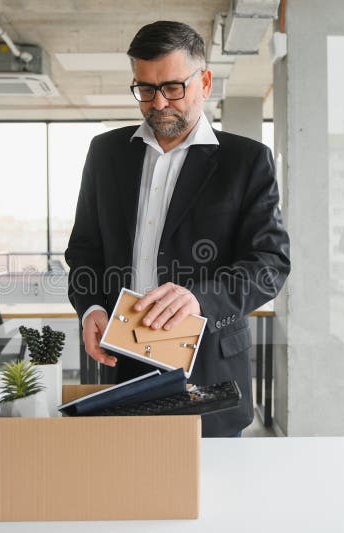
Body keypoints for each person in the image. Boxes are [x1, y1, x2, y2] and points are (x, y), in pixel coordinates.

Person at [65, 20, 290, 437]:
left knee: (216, 496)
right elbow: (84, 251)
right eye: (145, 89)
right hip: (124, 361)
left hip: (211, 369)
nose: (158, 103)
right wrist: (92, 309)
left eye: (172, 87)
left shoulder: (247, 161)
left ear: (204, 81)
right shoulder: (105, 154)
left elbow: (269, 264)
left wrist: (199, 297)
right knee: (130, 491)